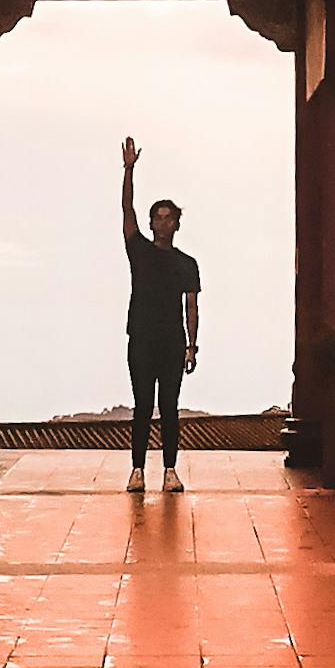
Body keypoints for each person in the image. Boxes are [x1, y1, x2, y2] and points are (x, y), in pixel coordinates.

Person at [119, 134, 201, 490]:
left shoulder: (187, 263)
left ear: (177, 224)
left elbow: (192, 306)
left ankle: (170, 470)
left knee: (170, 406)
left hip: (172, 341)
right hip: (141, 337)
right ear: (151, 223)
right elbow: (126, 210)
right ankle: (137, 470)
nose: (162, 222)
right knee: (142, 406)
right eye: (157, 217)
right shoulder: (139, 250)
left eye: (169, 218)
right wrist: (128, 170)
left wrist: (192, 346)